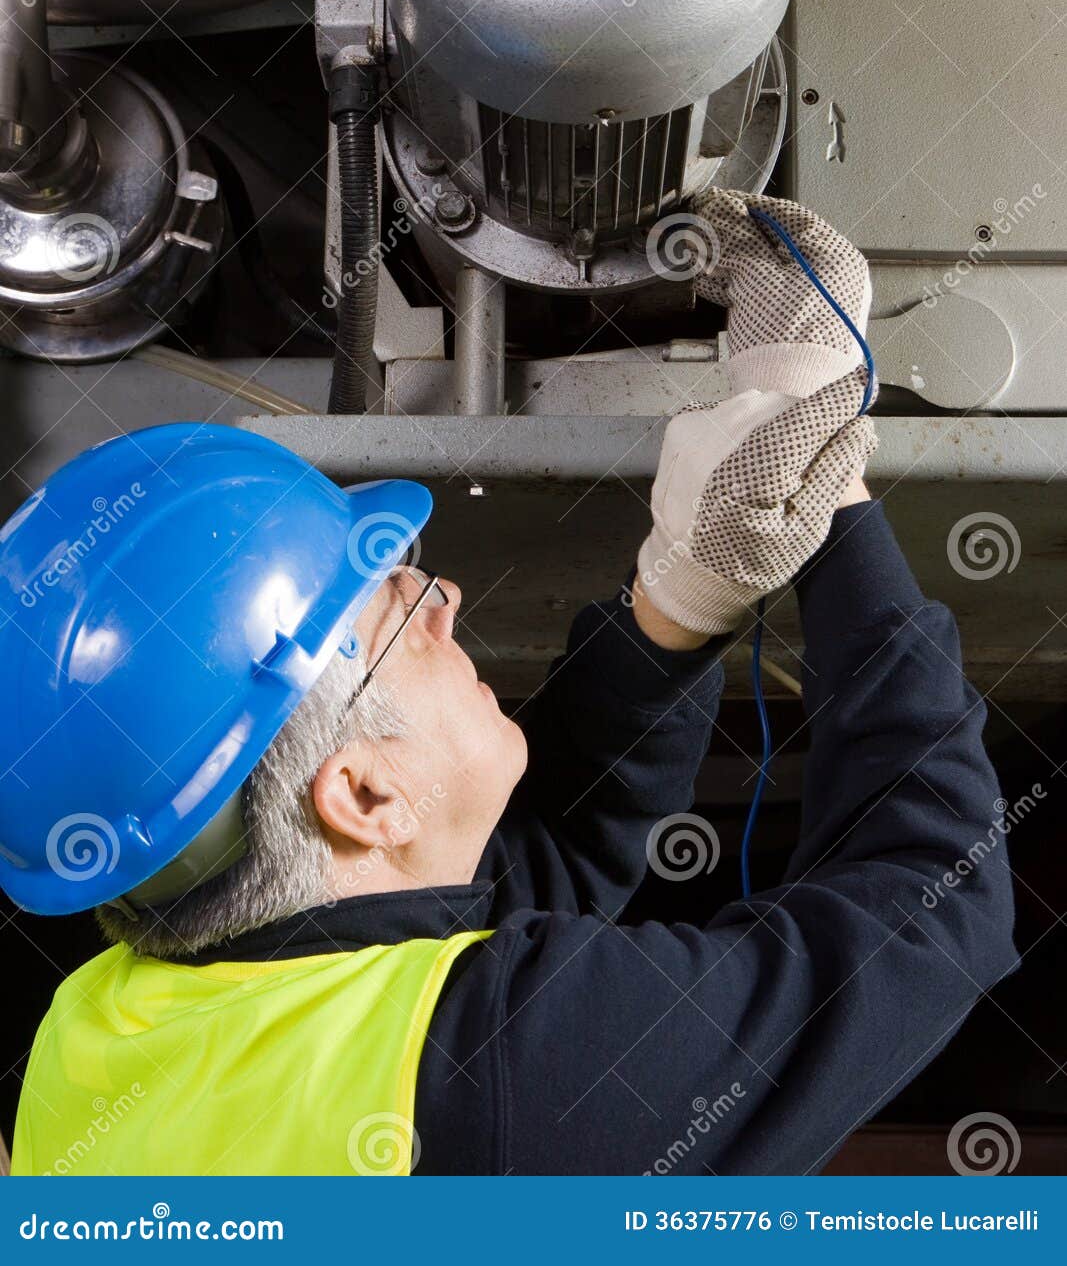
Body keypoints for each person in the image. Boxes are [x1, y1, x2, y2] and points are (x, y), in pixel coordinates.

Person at [1, 191, 1017, 1176]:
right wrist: (822, 489)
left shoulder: (96, 1043)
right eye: (398, 610)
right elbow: (926, 910)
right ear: (360, 793)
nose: (442, 592)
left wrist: (675, 604)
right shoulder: (506, 1083)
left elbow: (484, 887)